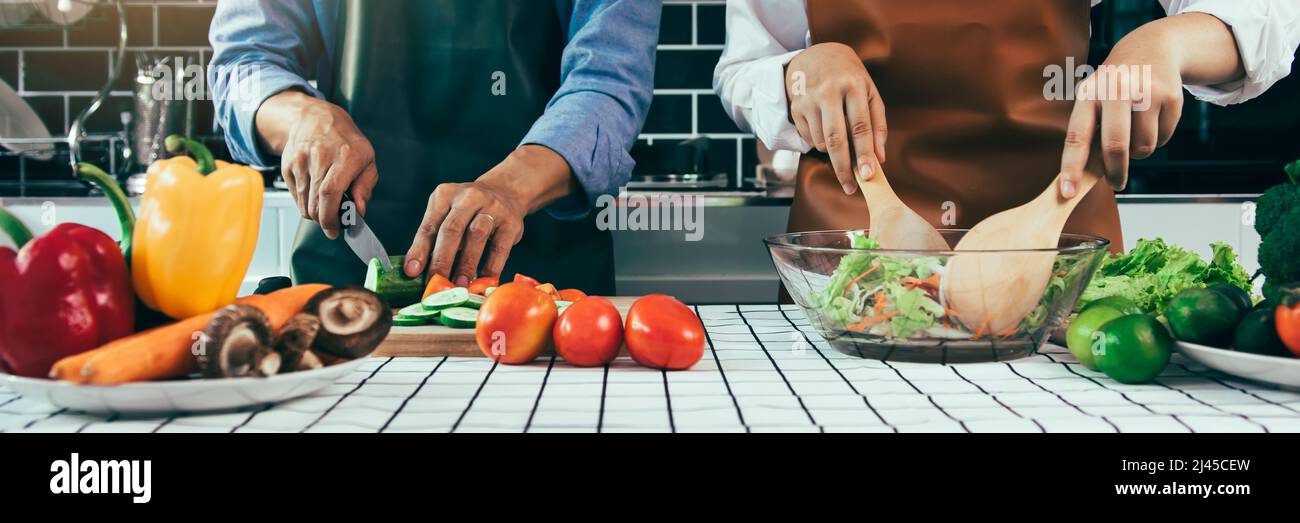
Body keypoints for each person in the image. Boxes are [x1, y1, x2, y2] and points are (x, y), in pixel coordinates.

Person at [715, 0, 1300, 253]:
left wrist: (1167, 40)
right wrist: (798, 72)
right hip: (858, 256)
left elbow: (1262, 14)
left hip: (1056, 248)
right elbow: (743, 70)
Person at [209, 0, 659, 294]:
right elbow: (243, 63)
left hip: (544, 288)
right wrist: (301, 118)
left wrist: (510, 189)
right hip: (344, 274)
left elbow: (608, 82)